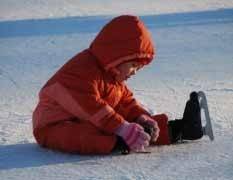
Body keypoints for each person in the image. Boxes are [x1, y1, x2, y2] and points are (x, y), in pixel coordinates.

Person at [32, 15, 203, 154]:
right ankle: (119, 142)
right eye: (134, 65)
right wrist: (122, 129)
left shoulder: (111, 75)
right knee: (89, 134)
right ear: (118, 57)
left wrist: (141, 118)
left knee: (131, 126)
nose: (135, 72)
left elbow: (125, 103)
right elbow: (92, 108)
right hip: (53, 126)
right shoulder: (80, 71)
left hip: (87, 118)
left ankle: (181, 129)